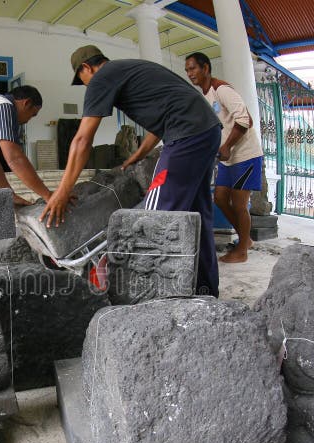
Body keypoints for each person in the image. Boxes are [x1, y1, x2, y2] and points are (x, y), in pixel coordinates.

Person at [41, 45, 221, 297]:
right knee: (197, 216)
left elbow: (82, 140)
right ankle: (206, 292)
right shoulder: (129, 69)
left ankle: (148, 296)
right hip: (206, 131)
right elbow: (163, 116)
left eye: (81, 79)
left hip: (186, 135)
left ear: (86, 68)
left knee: (153, 219)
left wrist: (62, 191)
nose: (84, 85)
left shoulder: (101, 78)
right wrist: (138, 154)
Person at [185, 52, 264, 263]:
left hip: (245, 155)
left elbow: (246, 119)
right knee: (219, 198)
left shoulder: (221, 89)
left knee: (239, 204)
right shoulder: (206, 94)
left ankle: (242, 251)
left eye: (193, 68)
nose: (189, 73)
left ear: (206, 68)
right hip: (228, 158)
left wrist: (228, 145)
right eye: (187, 70)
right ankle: (245, 240)